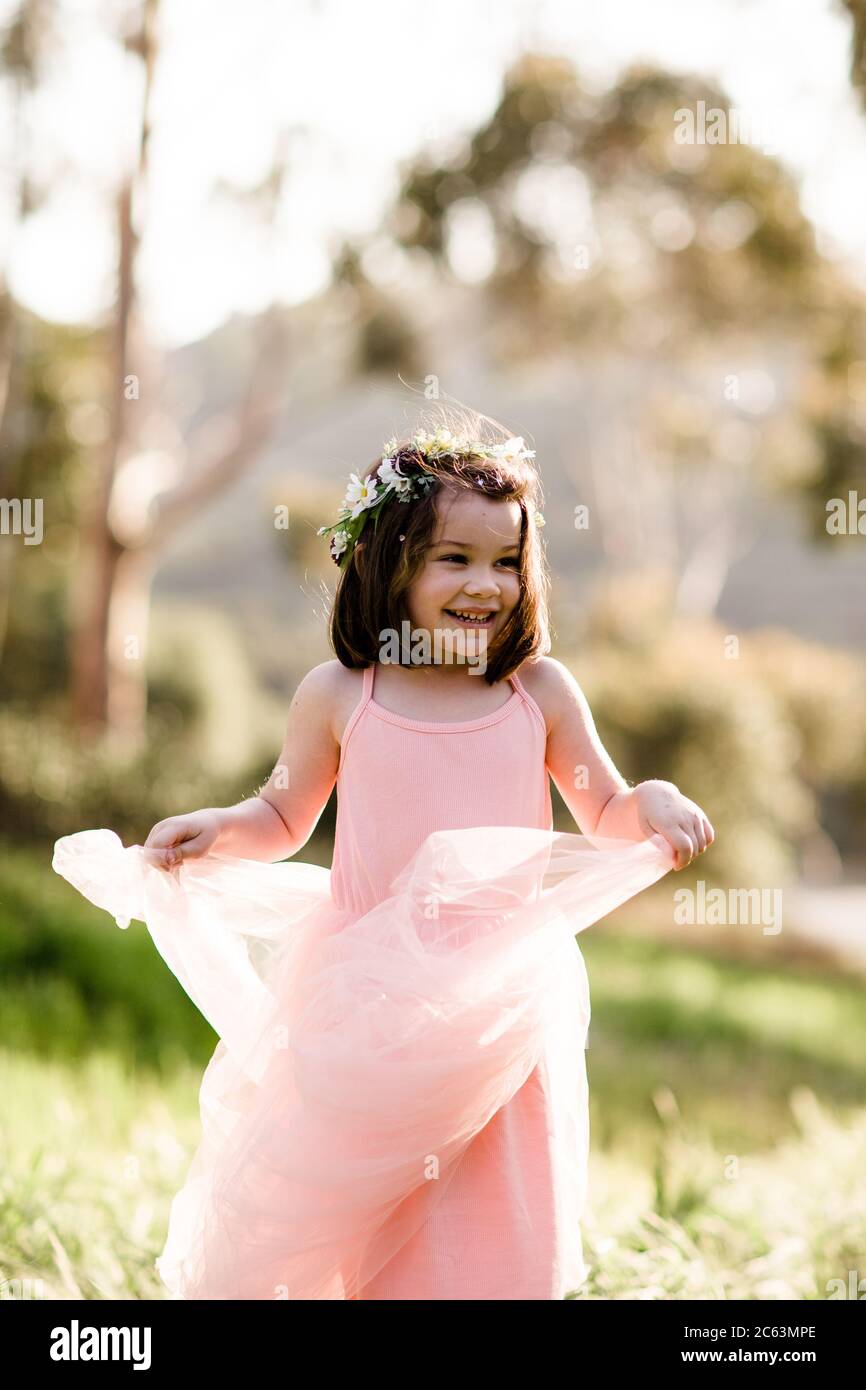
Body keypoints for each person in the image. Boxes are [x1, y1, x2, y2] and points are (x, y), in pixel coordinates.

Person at [53, 406, 713, 1300]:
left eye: (508, 561)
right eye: (456, 558)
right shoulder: (340, 696)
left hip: (496, 1006)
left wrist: (657, 802)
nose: (487, 584)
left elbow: (606, 809)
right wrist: (221, 827)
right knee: (371, 1220)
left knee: (496, 1215)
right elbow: (283, 813)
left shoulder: (538, 694)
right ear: (390, 559)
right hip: (369, 1004)